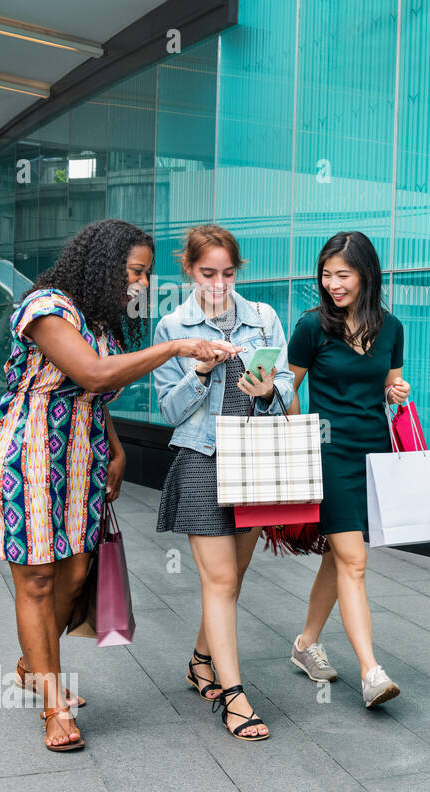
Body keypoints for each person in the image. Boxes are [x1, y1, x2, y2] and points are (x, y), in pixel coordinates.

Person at [0, 218, 230, 752]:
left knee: (74, 572)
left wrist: (115, 448)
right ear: (102, 264)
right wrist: (177, 347)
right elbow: (93, 374)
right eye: (135, 272)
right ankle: (53, 704)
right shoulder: (45, 307)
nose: (140, 284)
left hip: (83, 456)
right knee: (39, 579)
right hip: (26, 454)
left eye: (145, 274)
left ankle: (31, 663)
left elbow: (95, 392)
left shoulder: (100, 319)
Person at [152, 224, 294, 741]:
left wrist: (264, 390)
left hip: (253, 461)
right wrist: (203, 373)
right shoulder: (173, 327)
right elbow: (169, 409)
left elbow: (282, 387)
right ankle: (236, 698)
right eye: (207, 273)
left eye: (228, 273)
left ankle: (200, 662)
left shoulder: (263, 318)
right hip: (202, 459)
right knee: (221, 581)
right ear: (189, 269)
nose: (218, 284)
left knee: (232, 577)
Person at [286, 231, 409, 708]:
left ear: (366, 275)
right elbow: (287, 385)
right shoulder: (312, 327)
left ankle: (304, 644)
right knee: (355, 561)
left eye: (343, 274)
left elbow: (391, 387)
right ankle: (371, 672)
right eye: (326, 274)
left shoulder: (392, 328)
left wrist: (396, 394)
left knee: (339, 558)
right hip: (329, 454)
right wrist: (300, 436)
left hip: (374, 452)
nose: (332, 283)